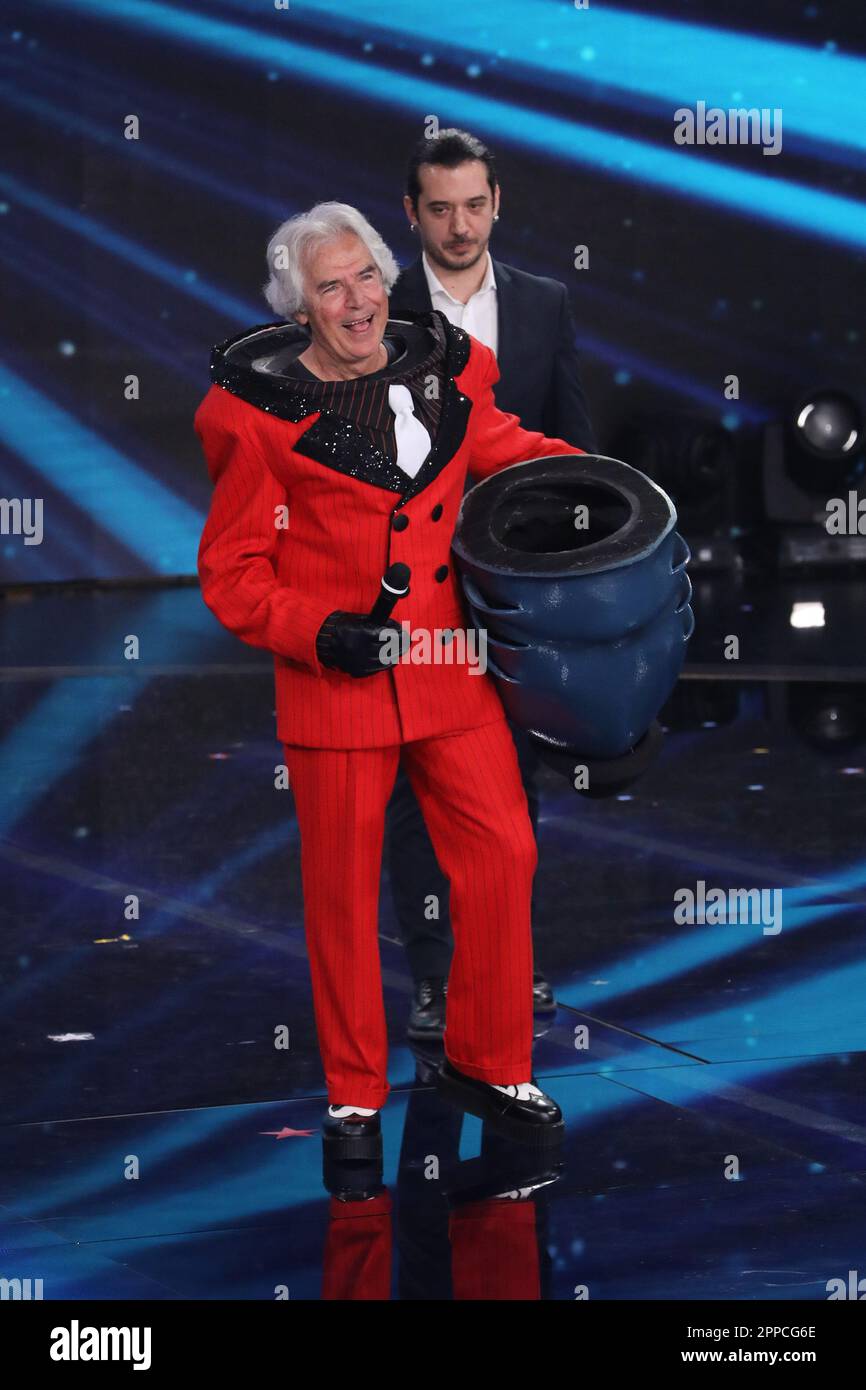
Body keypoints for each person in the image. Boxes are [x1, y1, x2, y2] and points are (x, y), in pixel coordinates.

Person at [194, 202, 584, 1152]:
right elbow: (232, 573)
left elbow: (508, 451)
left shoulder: (448, 373)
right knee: (341, 895)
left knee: (504, 853)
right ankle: (354, 1092)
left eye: (366, 276)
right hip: (339, 689)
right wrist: (320, 631)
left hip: (452, 674)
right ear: (300, 312)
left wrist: (601, 485)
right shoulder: (256, 420)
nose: (358, 301)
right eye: (330, 287)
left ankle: (492, 1060)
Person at [387, 129, 597, 1038]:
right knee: (415, 780)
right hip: (411, 586)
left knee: (513, 778)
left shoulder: (545, 305)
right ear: (411, 213)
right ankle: (435, 977)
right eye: (440, 209)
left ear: (498, 203)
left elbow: (573, 440)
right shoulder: (377, 309)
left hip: (515, 585)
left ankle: (509, 962)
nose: (460, 225)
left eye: (474, 205)